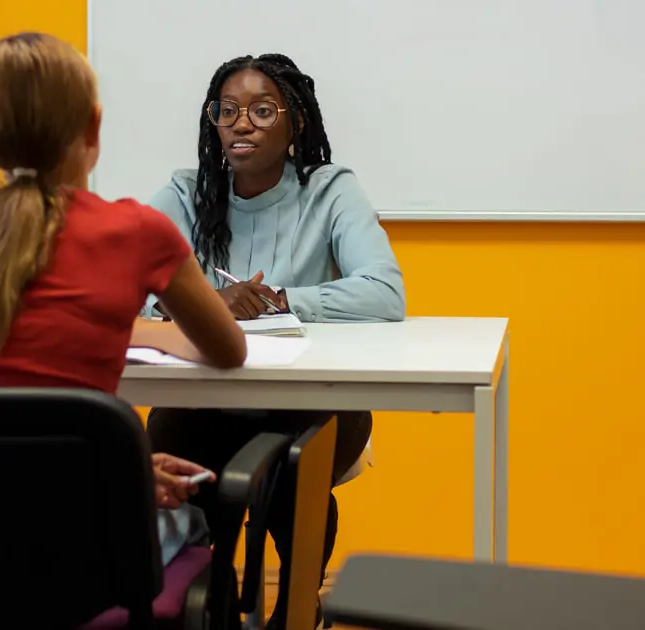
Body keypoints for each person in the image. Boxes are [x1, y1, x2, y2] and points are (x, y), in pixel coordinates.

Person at [0, 33, 249, 569]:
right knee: (194, 524)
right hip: (71, 560)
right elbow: (228, 350)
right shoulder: (138, 232)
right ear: (93, 125)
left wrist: (120, 465)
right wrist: (146, 334)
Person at [144, 53, 407, 628]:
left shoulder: (330, 190)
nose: (242, 123)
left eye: (262, 111)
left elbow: (384, 292)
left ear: (296, 122)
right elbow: (127, 285)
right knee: (173, 452)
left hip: (312, 400)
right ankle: (207, 597)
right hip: (204, 399)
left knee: (293, 472)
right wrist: (205, 305)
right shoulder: (186, 193)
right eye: (227, 111)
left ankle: (298, 605)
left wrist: (281, 300)